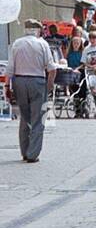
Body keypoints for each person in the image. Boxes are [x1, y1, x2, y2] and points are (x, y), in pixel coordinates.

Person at [5, 20, 57, 162]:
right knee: (38, 118)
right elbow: (52, 69)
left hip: (19, 81)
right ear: (37, 30)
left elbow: (10, 68)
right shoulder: (42, 44)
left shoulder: (17, 43)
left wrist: (6, 86)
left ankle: (24, 151)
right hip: (37, 81)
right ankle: (32, 154)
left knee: (24, 117)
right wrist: (49, 85)